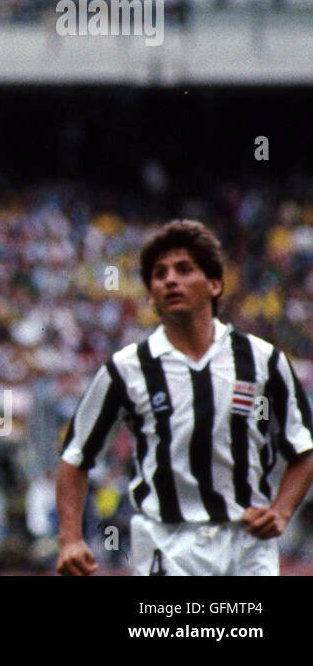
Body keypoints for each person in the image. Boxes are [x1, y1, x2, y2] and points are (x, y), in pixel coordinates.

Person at [56, 220, 313, 576]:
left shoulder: (263, 360)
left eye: (184, 269)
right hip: (166, 543)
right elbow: (76, 456)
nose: (170, 280)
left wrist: (281, 511)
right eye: (159, 275)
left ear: (215, 284)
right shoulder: (126, 369)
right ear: (150, 295)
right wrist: (70, 539)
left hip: (247, 543)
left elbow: (303, 448)